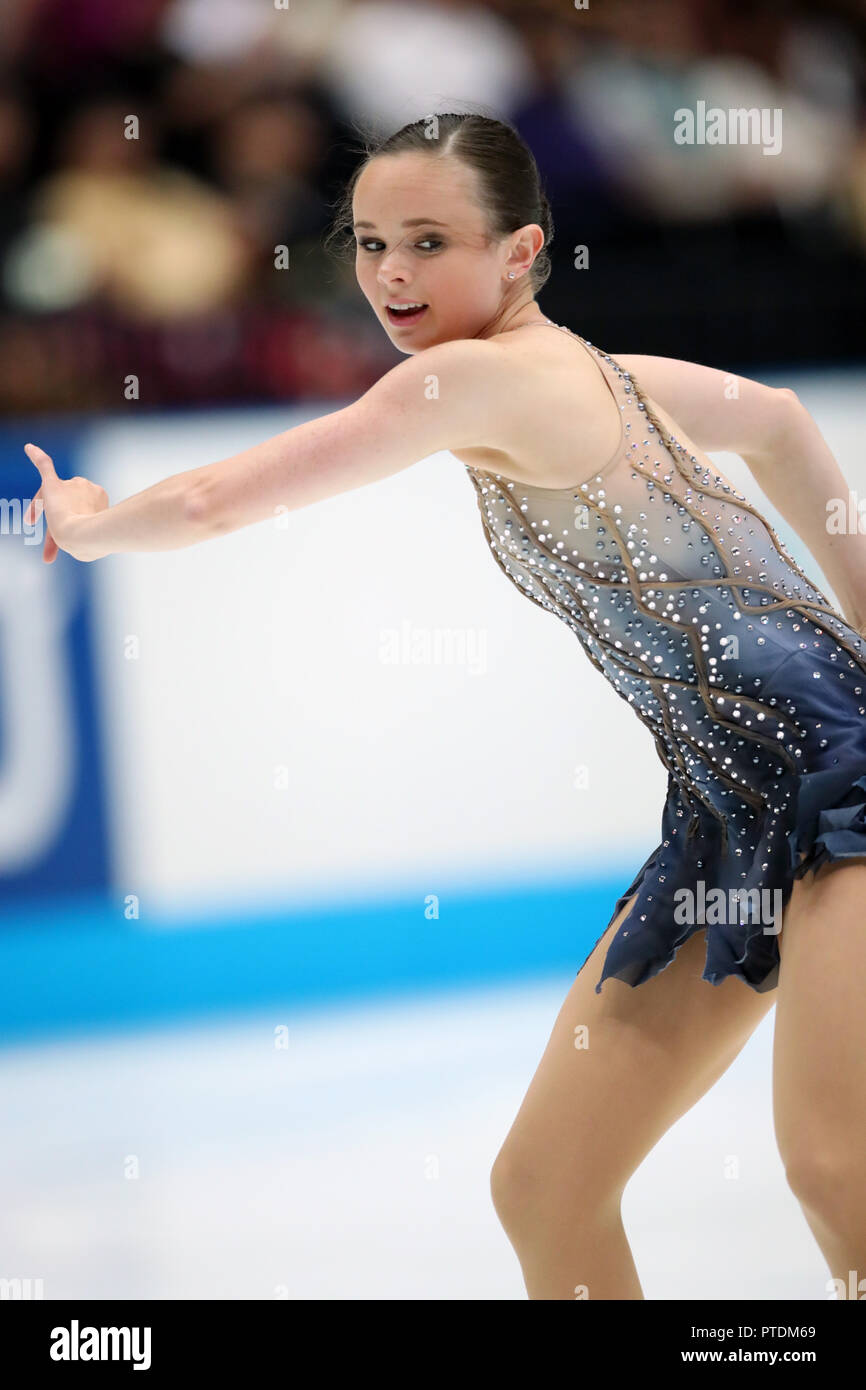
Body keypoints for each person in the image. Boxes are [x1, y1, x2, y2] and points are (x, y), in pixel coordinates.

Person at [24, 112, 866, 1301]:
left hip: (845, 777)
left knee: (836, 1171)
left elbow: (216, 501)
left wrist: (91, 525)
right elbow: (776, 417)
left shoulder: (462, 378)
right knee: (546, 1189)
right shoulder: (595, 372)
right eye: (369, 242)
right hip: (732, 814)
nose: (392, 274)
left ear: (520, 251)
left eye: (429, 240)